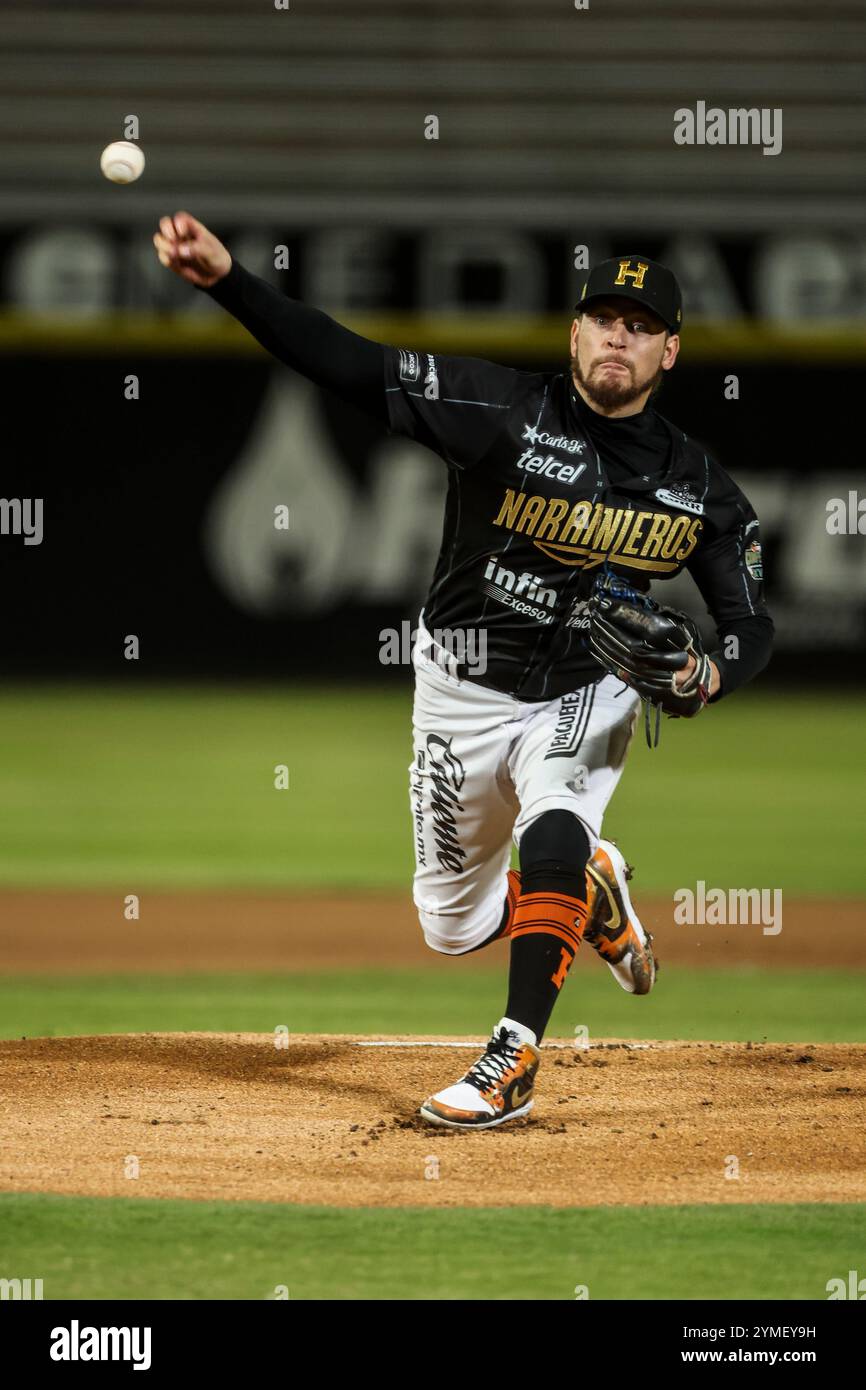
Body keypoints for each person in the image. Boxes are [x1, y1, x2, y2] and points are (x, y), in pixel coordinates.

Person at [154, 216, 774, 1130]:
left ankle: (514, 1056)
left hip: (582, 689)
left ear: (670, 352)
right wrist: (228, 282)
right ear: (574, 334)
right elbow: (345, 360)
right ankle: (594, 898)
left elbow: (749, 624)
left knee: (555, 823)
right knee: (451, 927)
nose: (618, 337)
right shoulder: (498, 412)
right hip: (461, 688)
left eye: (640, 326)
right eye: (603, 318)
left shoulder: (698, 487)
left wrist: (711, 675)